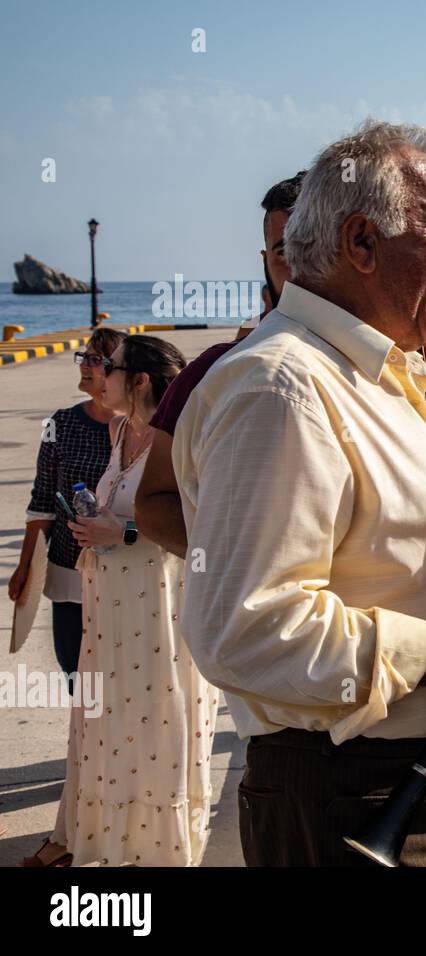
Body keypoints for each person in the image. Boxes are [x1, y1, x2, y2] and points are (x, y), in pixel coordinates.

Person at [173, 120, 426, 866]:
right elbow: (245, 629)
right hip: (365, 794)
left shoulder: (372, 372)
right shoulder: (282, 389)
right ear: (362, 244)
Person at [58, 335, 220, 866]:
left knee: (156, 725)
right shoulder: (120, 429)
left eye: (111, 366)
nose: (100, 374)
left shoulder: (181, 436)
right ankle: (109, 847)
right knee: (112, 729)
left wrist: (122, 532)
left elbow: (199, 526)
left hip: (161, 610)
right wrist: (94, 524)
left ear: (141, 380)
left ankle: (156, 855)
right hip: (109, 611)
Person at [134, 171, 305, 557]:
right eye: (283, 250)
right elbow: (152, 503)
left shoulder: (398, 363)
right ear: (265, 260)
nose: (299, 266)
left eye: (315, 246)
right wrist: (239, 563)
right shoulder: (212, 371)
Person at [13, 326, 123, 868]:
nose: (84, 366)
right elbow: (40, 495)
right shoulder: (62, 424)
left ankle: (106, 779)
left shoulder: (141, 427)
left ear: (120, 372)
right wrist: (22, 562)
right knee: (78, 681)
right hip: (63, 571)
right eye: (83, 357)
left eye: (96, 359)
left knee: (114, 681)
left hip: (121, 580)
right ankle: (87, 775)